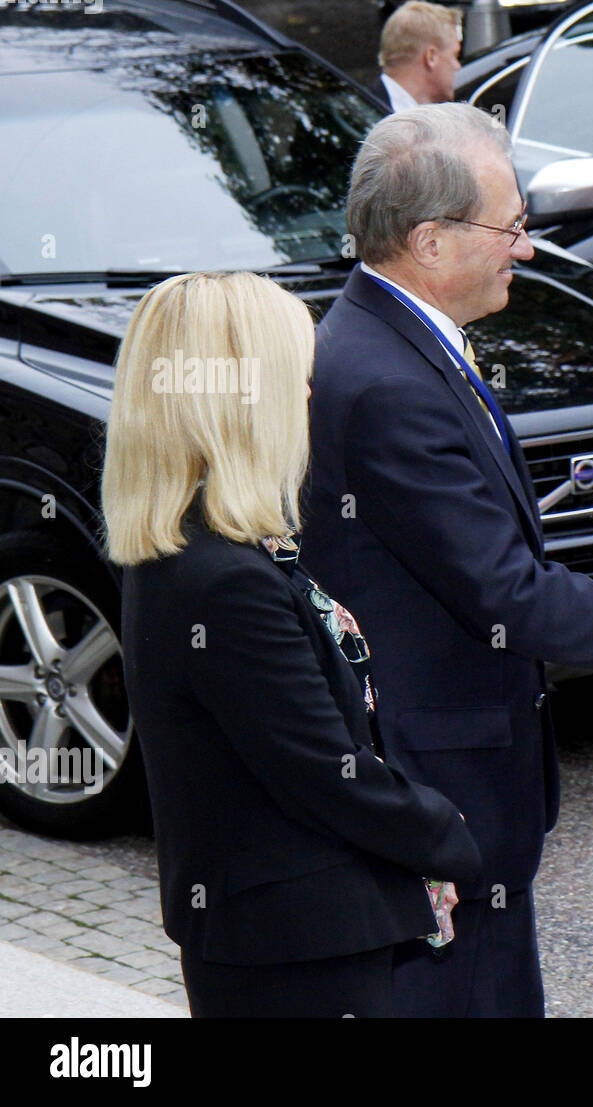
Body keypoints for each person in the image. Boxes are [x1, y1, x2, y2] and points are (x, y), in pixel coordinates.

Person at [304, 103, 593, 1018]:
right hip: (438, 804)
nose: (527, 249)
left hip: (457, 797)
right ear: (428, 240)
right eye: (511, 229)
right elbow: (507, 594)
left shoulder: (394, 345)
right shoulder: (386, 384)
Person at [104, 271, 482, 1018]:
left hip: (272, 936)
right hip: (298, 950)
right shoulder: (224, 582)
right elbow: (324, 771)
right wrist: (447, 831)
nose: (310, 397)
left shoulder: (184, 551)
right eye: (296, 379)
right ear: (236, 402)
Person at [369, 1, 462, 112]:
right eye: (455, 55)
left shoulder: (365, 106)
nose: (457, 66)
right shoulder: (366, 115)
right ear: (431, 57)